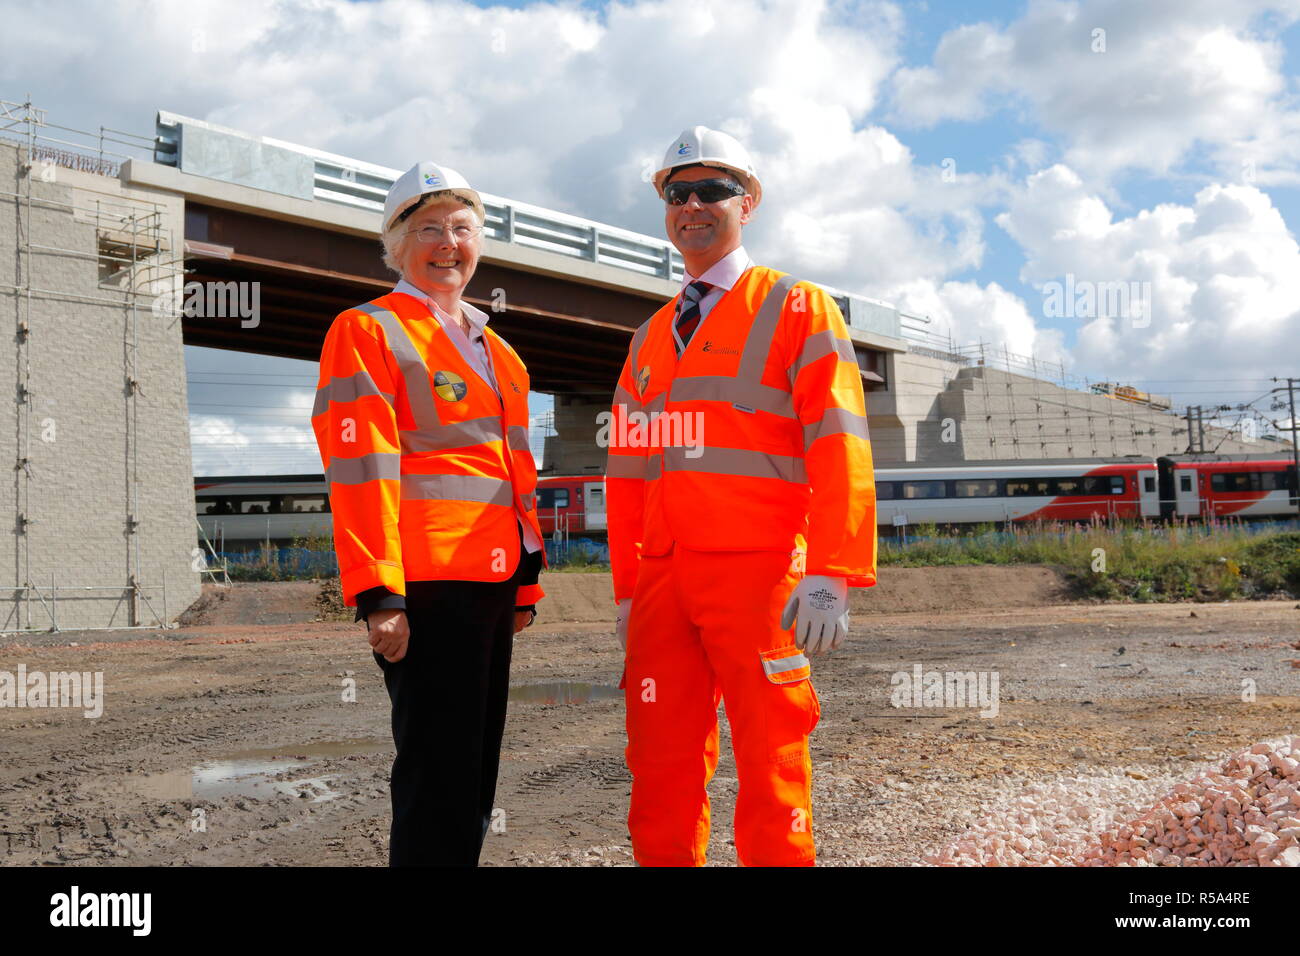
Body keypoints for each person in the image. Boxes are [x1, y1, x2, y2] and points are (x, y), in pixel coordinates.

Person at [605, 127, 877, 866]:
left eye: (712, 190)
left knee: (771, 759)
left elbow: (839, 441)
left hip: (759, 573)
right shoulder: (651, 337)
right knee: (659, 762)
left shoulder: (797, 307)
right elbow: (627, 474)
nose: (691, 204)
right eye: (676, 192)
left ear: (747, 202)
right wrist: (629, 588)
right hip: (663, 579)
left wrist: (833, 571)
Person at [312, 161, 546, 866]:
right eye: (429, 231)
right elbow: (361, 468)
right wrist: (380, 594)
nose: (449, 244)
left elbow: (514, 475)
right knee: (436, 775)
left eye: (463, 230)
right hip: (426, 588)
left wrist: (526, 584)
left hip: (491, 586)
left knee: (472, 775)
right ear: (397, 246)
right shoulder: (368, 330)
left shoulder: (498, 351)